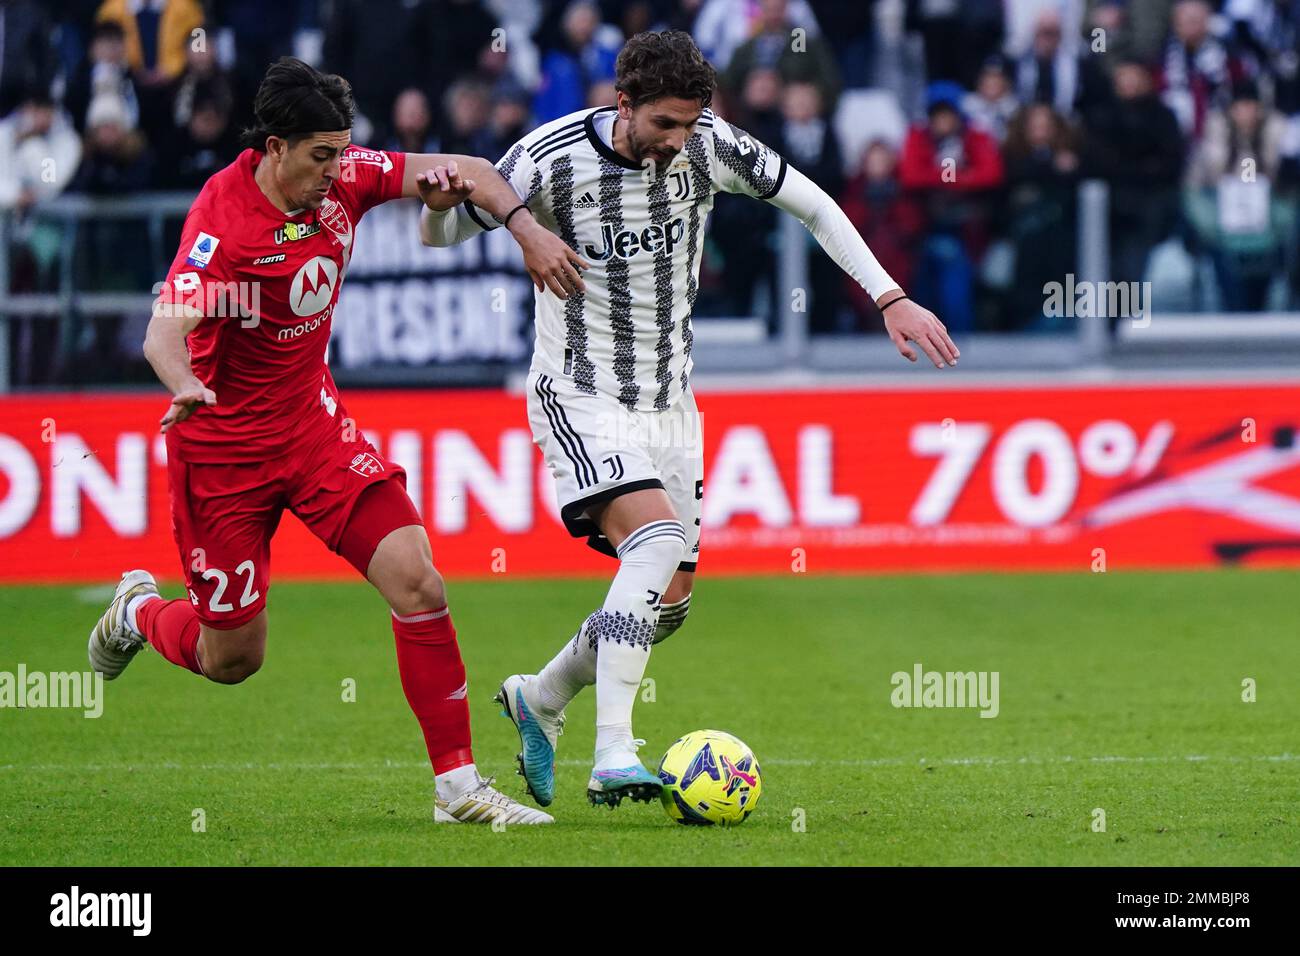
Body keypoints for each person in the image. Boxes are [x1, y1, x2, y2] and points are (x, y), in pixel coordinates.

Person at [418, 30, 957, 812]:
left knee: (665, 605)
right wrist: (438, 208)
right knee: (657, 541)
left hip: (670, 404)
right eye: (665, 125)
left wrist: (889, 296)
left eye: (691, 123)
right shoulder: (550, 155)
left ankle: (539, 696)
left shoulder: (708, 145)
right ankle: (613, 753)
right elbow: (444, 232)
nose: (678, 142)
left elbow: (814, 204)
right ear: (624, 103)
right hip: (580, 392)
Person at [86, 56, 587, 827]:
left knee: (418, 582)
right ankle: (139, 612)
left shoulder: (346, 174)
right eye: (321, 155)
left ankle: (458, 790)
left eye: (342, 151)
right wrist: (183, 382)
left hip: (314, 431)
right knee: (233, 659)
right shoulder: (223, 224)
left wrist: (524, 232)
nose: (337, 169)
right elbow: (163, 331)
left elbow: (475, 169)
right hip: (220, 452)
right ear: (276, 147)